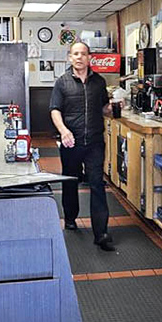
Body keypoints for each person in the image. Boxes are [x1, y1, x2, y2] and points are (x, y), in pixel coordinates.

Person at [50, 41, 116, 251]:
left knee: (97, 184)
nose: (79, 57)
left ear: (89, 58)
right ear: (70, 57)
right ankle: (70, 217)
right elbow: (54, 109)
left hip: (95, 141)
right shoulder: (62, 83)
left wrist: (113, 108)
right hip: (71, 141)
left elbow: (104, 108)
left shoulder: (99, 82)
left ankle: (101, 233)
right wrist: (63, 131)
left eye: (83, 54)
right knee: (71, 180)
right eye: (75, 54)